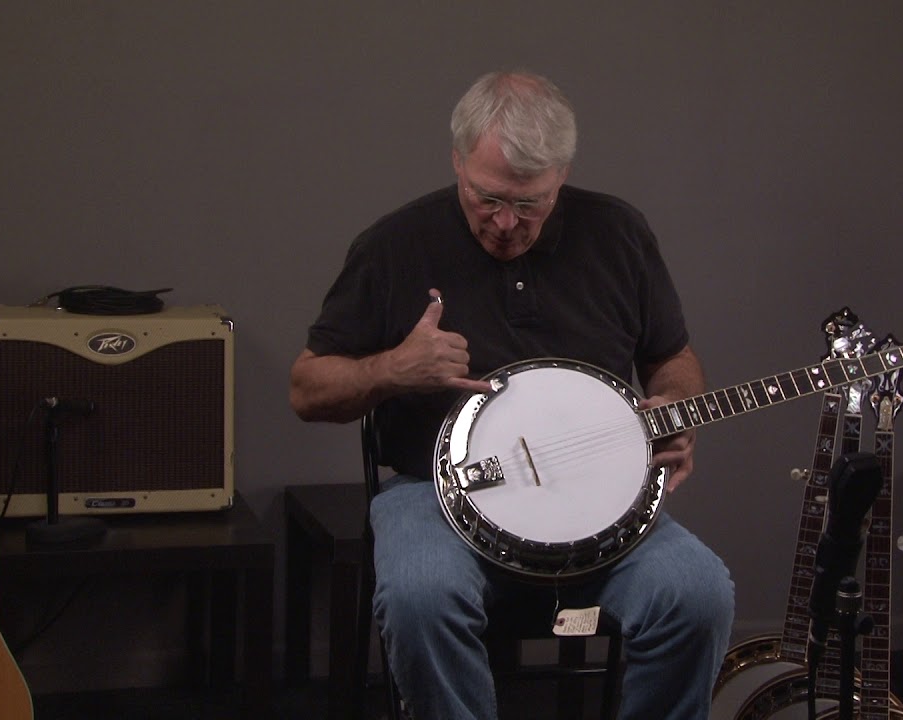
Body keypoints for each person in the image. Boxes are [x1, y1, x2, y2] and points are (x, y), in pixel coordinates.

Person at [290, 70, 735, 719]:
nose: (504, 223)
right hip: (437, 495)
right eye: (486, 197)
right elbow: (307, 388)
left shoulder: (617, 234)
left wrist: (673, 408)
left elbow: (672, 358)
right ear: (457, 162)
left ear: (561, 174)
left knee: (698, 594)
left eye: (530, 204)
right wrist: (390, 368)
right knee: (420, 597)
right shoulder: (393, 246)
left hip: (597, 500)